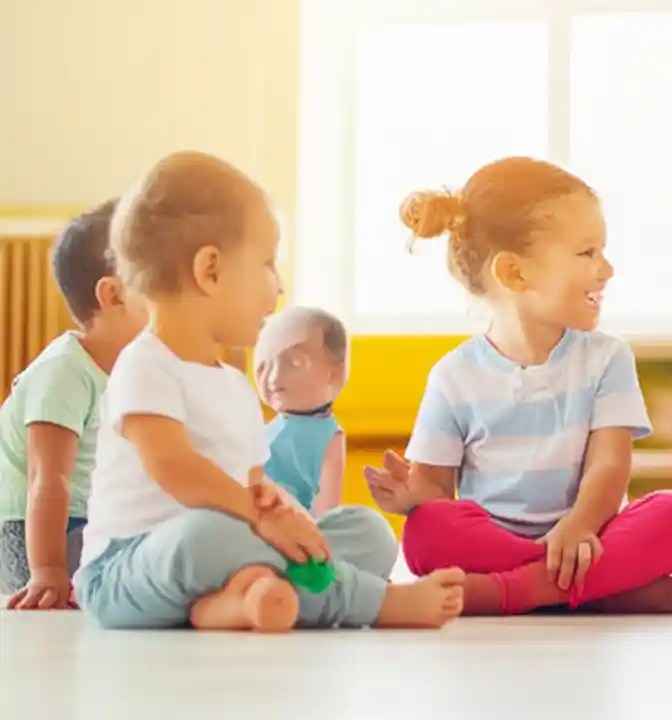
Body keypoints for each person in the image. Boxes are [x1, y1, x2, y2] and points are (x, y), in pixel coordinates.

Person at [73, 151, 464, 632]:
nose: (278, 287)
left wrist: (294, 524)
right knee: (211, 534)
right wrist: (262, 522)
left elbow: (255, 482)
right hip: (128, 569)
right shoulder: (145, 365)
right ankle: (373, 602)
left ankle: (237, 601)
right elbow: (177, 470)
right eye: (266, 263)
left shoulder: (236, 387)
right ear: (210, 270)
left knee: (366, 532)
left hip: (223, 554)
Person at [365, 156, 672, 615]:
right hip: (493, 542)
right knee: (427, 531)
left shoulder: (607, 358)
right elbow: (437, 491)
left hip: (590, 536)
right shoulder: (453, 377)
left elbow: (609, 465)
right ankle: (599, 592)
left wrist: (579, 526)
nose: (606, 269)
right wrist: (413, 498)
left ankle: (514, 592)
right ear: (514, 273)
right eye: (588, 253)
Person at [1, 199, 146, 608]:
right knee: (140, 567)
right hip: (32, 534)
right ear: (114, 294)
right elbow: (47, 479)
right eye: (157, 281)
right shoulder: (64, 370)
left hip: (88, 518)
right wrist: (47, 572)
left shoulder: (135, 367)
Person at [255, 306, 349, 515]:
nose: (273, 379)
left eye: (293, 363)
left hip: (292, 519)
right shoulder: (263, 425)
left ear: (334, 374)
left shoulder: (330, 437)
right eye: (263, 366)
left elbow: (327, 507)